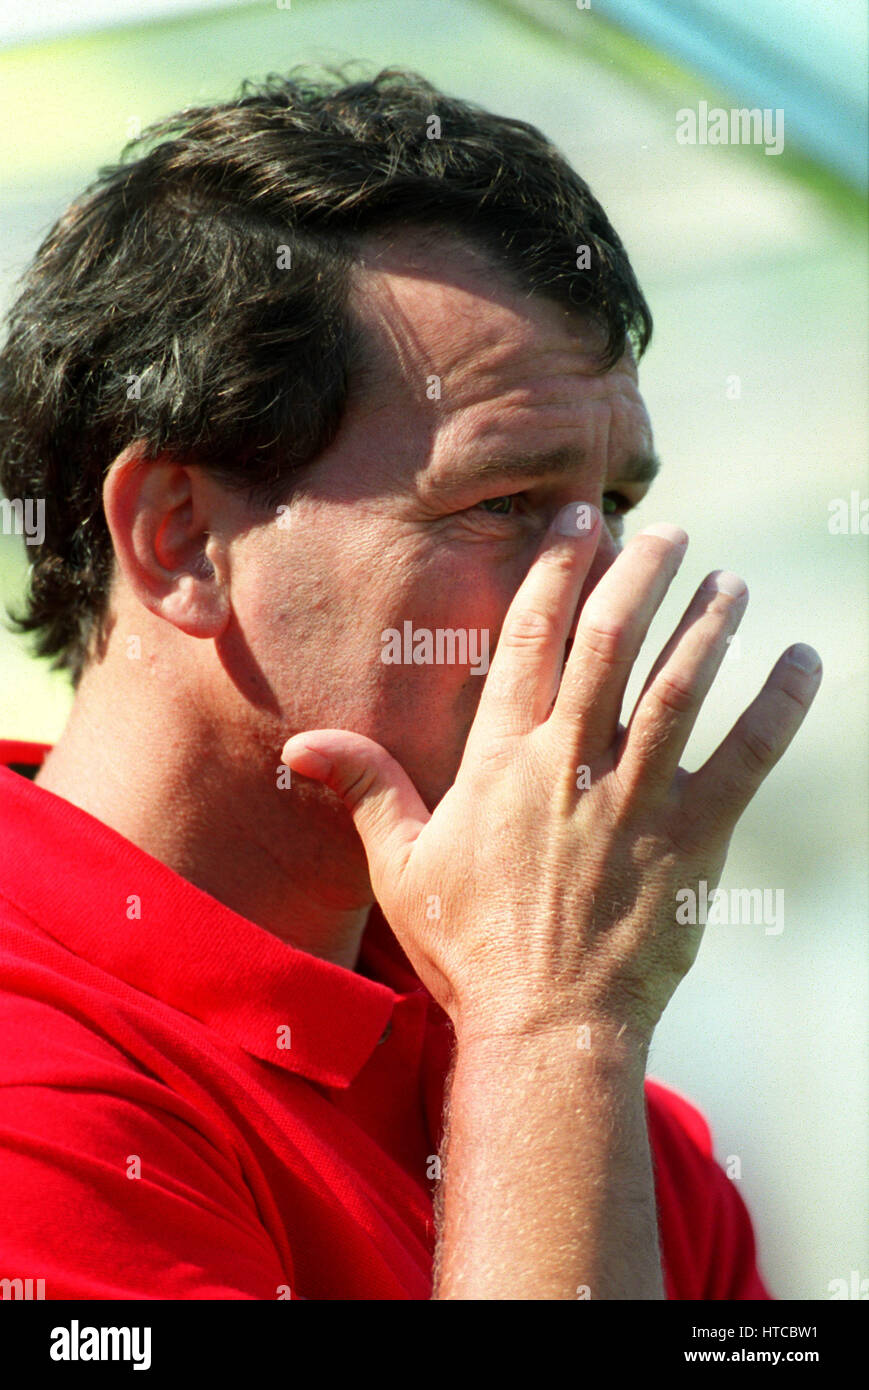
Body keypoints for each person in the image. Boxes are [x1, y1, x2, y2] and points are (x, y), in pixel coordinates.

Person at [0, 67, 821, 1300]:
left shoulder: (614, 1127)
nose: (599, 581)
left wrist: (545, 1042)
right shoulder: (37, 1088)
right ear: (180, 539)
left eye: (615, 503)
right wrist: (548, 1035)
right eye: (502, 503)